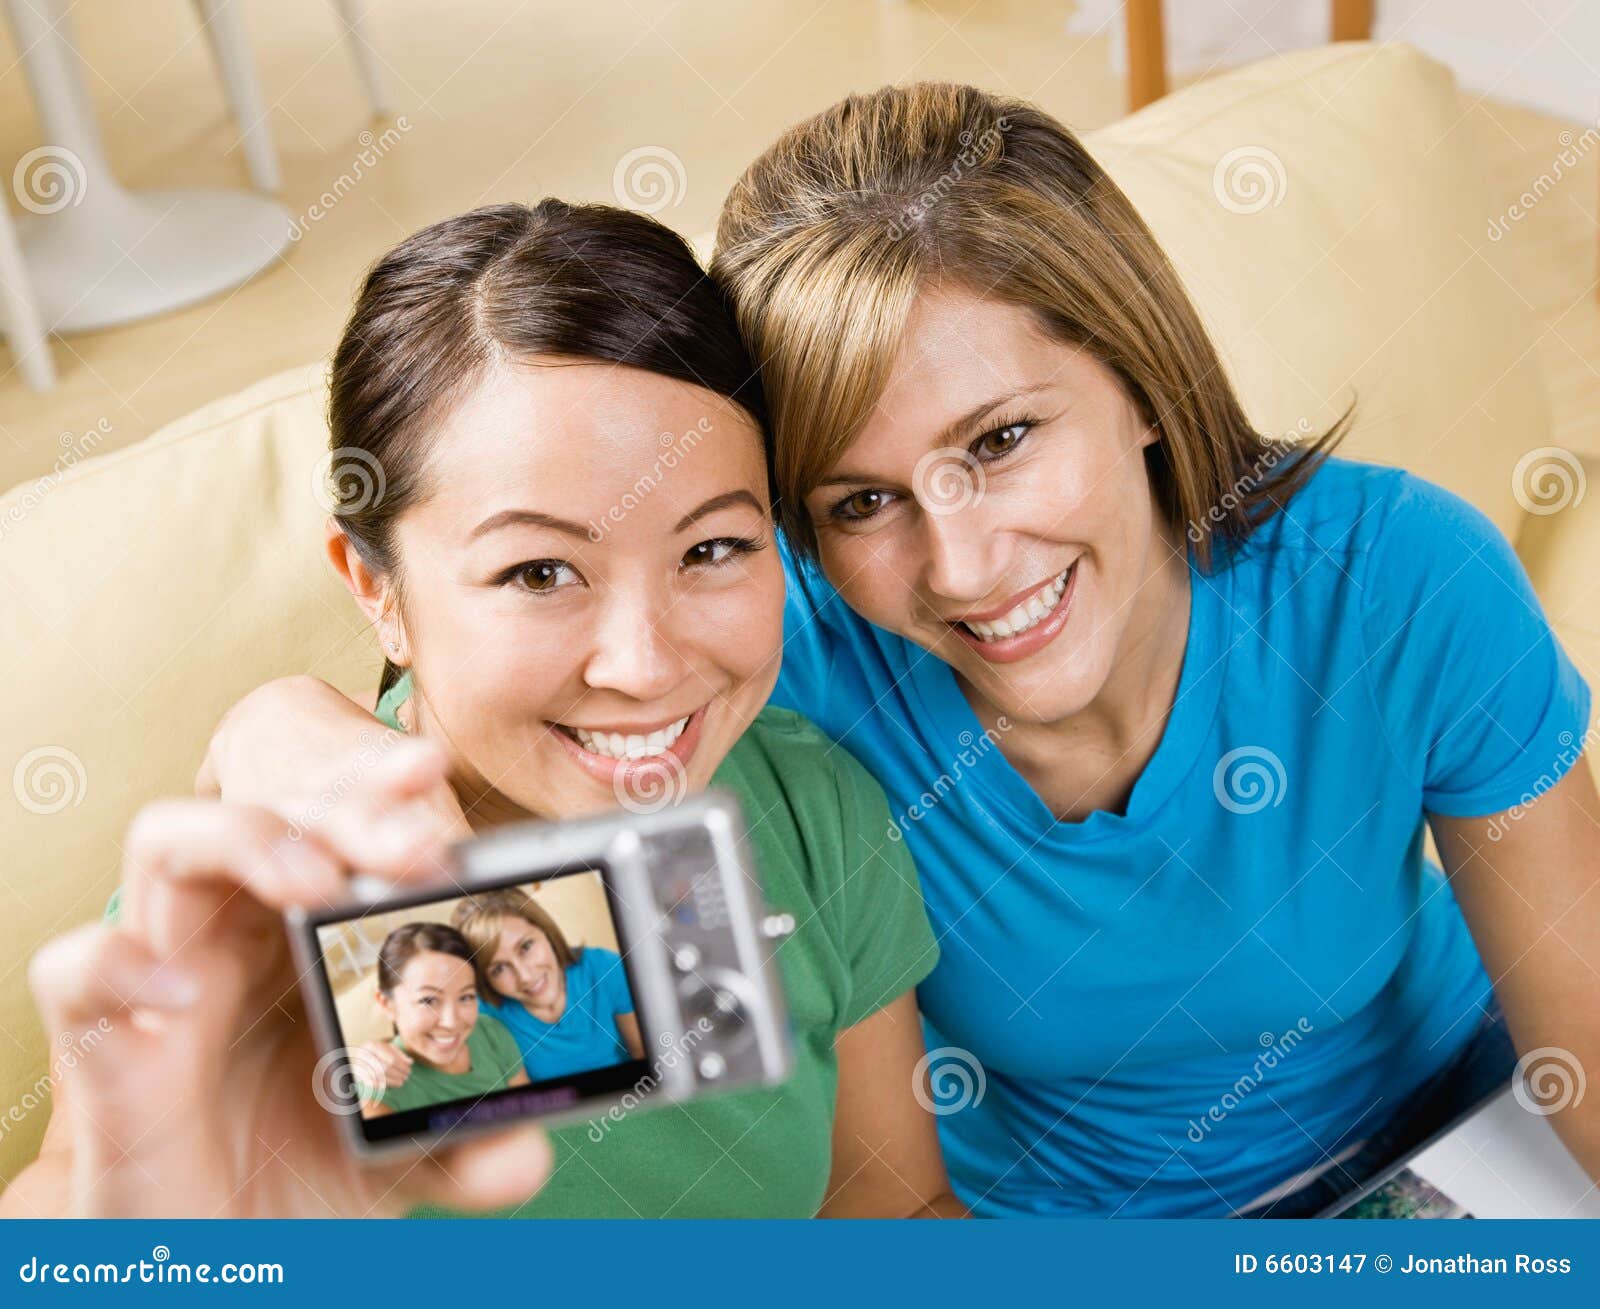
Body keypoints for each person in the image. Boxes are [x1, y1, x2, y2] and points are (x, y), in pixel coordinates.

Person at [6, 200, 962, 1220]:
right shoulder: (242, 914)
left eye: (712, 548)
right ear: (376, 589)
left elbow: (890, 1208)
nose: (643, 667)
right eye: (539, 570)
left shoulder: (814, 808)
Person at [454, 888, 644, 1081]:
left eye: (526, 946)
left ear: (546, 931)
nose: (525, 977)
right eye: (499, 968)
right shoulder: (483, 1016)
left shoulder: (604, 968)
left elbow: (645, 1058)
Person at [357, 922, 530, 1117]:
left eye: (466, 997)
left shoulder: (490, 1031)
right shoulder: (379, 1091)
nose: (451, 1022)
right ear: (386, 1004)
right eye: (429, 1000)